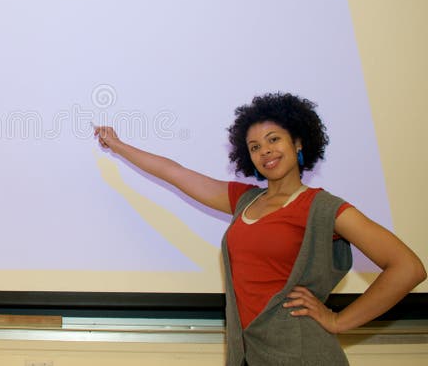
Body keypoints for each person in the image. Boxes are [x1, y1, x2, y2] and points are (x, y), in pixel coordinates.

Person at [93, 92, 425, 366]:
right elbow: (175, 173)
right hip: (249, 353)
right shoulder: (245, 201)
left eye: (273, 139)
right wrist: (118, 146)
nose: (264, 150)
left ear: (298, 142)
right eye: (254, 146)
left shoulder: (322, 208)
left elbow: (407, 267)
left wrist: (338, 321)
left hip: (301, 355)